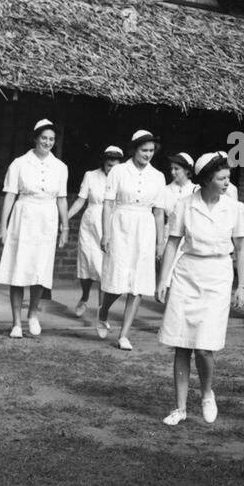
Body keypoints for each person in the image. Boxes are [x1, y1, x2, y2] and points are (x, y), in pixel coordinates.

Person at [156, 152, 244, 426]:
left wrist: (241, 285)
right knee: (182, 345)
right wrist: (163, 279)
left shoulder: (235, 208)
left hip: (218, 277)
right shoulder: (184, 204)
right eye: (221, 178)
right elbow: (172, 243)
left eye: (228, 178)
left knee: (205, 347)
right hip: (187, 275)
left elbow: (242, 249)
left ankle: (207, 392)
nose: (226, 183)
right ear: (207, 179)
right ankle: (180, 408)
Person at [0, 119, 69, 339]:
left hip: (47, 219)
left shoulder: (60, 167)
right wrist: (3, 226)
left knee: (39, 271)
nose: (47, 142)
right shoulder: (19, 163)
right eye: (44, 138)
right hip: (23, 218)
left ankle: (33, 314)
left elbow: (62, 199)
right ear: (35, 138)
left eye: (51, 139)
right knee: (19, 270)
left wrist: (65, 228)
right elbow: (10, 195)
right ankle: (16, 322)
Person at [98, 129, 166, 349]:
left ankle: (124, 335)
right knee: (117, 281)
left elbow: (158, 212)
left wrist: (160, 242)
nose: (147, 154)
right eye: (144, 150)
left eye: (151, 151)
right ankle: (103, 311)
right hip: (120, 226)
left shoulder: (158, 176)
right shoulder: (118, 171)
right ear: (134, 149)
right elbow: (108, 204)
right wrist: (106, 233)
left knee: (138, 283)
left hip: (144, 229)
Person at [65, 145, 124, 318]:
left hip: (111, 225)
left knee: (104, 271)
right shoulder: (90, 176)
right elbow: (80, 201)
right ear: (103, 163)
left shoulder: (123, 179)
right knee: (87, 267)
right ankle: (84, 296)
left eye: (115, 166)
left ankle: (101, 313)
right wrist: (64, 219)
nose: (111, 169)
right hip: (90, 226)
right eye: (108, 165)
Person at [161, 152, 198, 244]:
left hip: (190, 240)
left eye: (176, 169)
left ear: (187, 170)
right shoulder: (165, 190)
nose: (172, 172)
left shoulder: (196, 190)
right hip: (168, 239)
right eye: (171, 169)